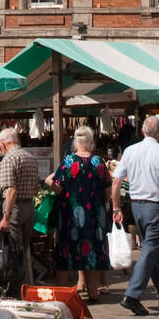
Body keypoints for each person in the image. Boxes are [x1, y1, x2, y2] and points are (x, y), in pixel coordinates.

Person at [111, 114, 159, 314]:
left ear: (143, 131)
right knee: (150, 249)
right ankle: (132, 295)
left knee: (152, 250)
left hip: (137, 207)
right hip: (156, 206)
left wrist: (116, 207)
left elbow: (116, 182)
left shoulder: (130, 151)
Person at [46, 127, 112, 301]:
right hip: (94, 217)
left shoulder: (69, 161)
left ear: (75, 143)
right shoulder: (99, 162)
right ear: (91, 142)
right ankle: (93, 292)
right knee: (92, 253)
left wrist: (48, 183)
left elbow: (57, 187)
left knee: (66, 254)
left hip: (70, 216)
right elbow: (107, 191)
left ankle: (61, 294)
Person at [0, 126, 40, 287]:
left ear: (3, 144)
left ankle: (14, 288)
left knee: (13, 251)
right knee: (23, 249)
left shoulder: (9, 159)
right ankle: (25, 284)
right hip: (29, 206)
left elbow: (11, 191)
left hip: (14, 209)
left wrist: (6, 217)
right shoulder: (30, 157)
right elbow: (36, 188)